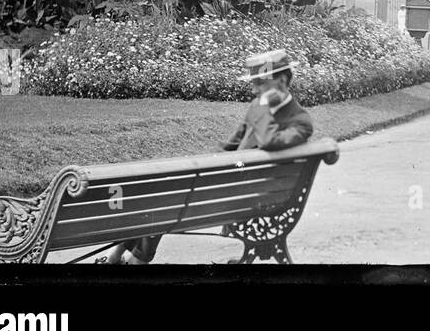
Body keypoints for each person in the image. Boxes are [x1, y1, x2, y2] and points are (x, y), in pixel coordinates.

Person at [100, 49, 314, 264]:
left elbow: (268, 141)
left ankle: (133, 260)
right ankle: (118, 256)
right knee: (158, 188)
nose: (254, 89)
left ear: (283, 80)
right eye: (254, 82)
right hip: (227, 189)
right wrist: (203, 168)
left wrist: (264, 107)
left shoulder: (298, 121)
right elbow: (229, 146)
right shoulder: (259, 108)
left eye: (261, 83)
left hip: (247, 199)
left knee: (164, 199)